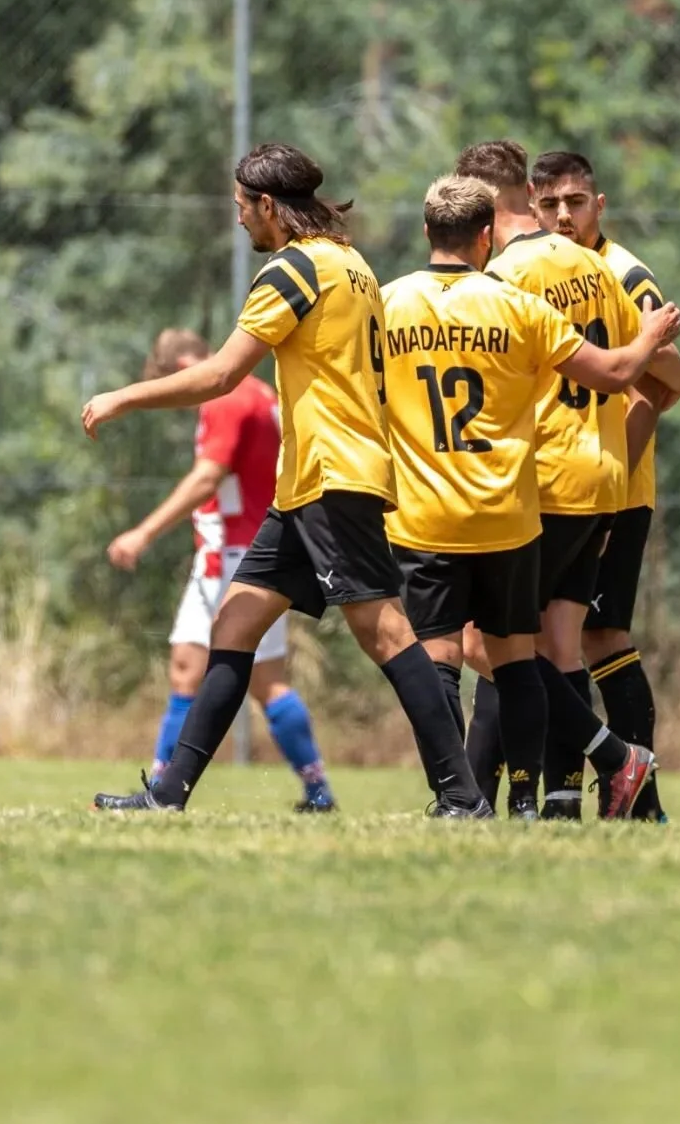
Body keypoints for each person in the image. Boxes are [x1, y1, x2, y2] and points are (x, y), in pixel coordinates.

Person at [83, 143, 490, 818]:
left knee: (385, 631)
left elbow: (220, 374)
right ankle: (169, 793)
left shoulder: (293, 270)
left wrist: (125, 397)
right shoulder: (352, 264)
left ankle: (462, 793)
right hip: (311, 481)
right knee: (236, 622)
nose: (239, 219)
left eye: (243, 207)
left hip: (333, 476)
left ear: (269, 205)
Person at [381, 175, 680, 818]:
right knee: (531, 651)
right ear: (485, 232)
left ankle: (470, 795)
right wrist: (649, 339)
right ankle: (547, 802)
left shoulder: (393, 302)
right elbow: (625, 375)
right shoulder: (561, 286)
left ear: (427, 232)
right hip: (530, 501)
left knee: (459, 650)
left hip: (451, 504)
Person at [104, 327, 336, 813]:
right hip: (226, 553)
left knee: (266, 680)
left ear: (184, 365)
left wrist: (143, 533)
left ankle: (317, 792)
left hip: (239, 555)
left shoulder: (228, 399)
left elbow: (208, 475)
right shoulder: (259, 392)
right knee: (189, 670)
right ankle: (163, 785)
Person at [531, 149, 680, 822]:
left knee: (601, 640)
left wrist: (612, 465)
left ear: (600, 206)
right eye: (550, 204)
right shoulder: (548, 269)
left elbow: (670, 377)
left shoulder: (622, 274)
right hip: (571, 486)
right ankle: (569, 796)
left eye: (575, 201)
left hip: (611, 493)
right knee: (561, 639)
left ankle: (640, 798)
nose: (563, 215)